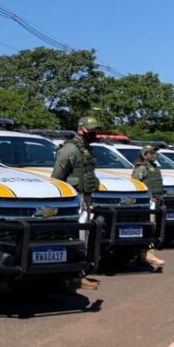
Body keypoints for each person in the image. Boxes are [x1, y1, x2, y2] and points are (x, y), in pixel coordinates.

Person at [51, 116, 102, 288]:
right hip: (75, 199)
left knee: (84, 237)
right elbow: (57, 178)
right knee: (77, 237)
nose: (94, 133)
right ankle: (73, 276)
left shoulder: (85, 149)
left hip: (86, 198)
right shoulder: (70, 149)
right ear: (81, 129)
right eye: (91, 129)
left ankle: (78, 274)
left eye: (95, 129)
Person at [130, 145, 166, 268]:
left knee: (155, 227)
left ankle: (144, 255)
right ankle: (147, 254)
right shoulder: (141, 168)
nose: (154, 155)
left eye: (155, 152)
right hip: (147, 202)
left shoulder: (154, 167)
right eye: (151, 153)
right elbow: (135, 184)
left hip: (156, 200)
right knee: (149, 227)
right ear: (144, 154)